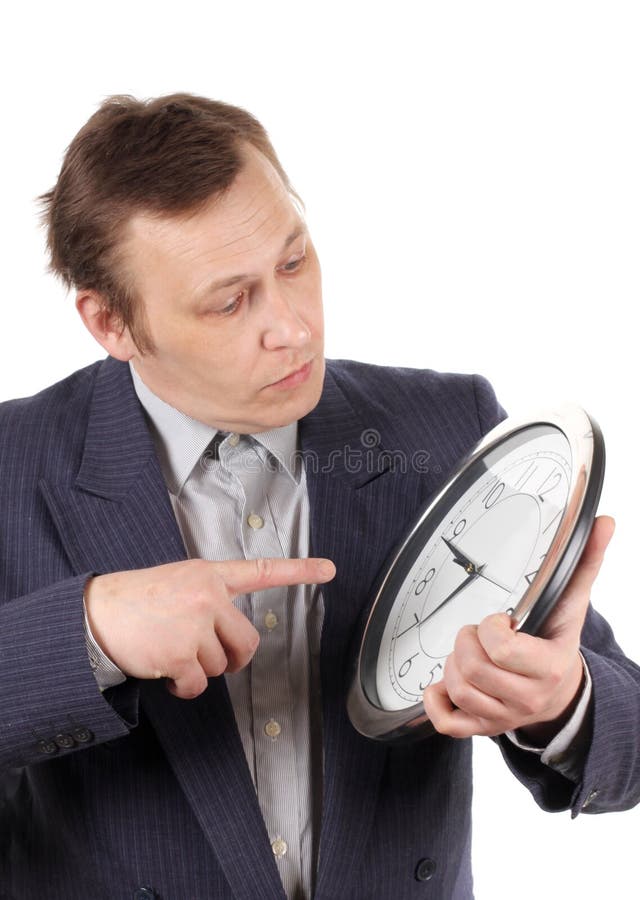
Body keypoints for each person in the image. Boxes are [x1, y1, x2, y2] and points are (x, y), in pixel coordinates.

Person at [0, 93, 637, 900]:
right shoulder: (13, 463)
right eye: (231, 301)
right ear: (111, 323)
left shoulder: (446, 430)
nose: (294, 328)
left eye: (294, 263)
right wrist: (87, 632)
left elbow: (631, 749)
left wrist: (561, 701)